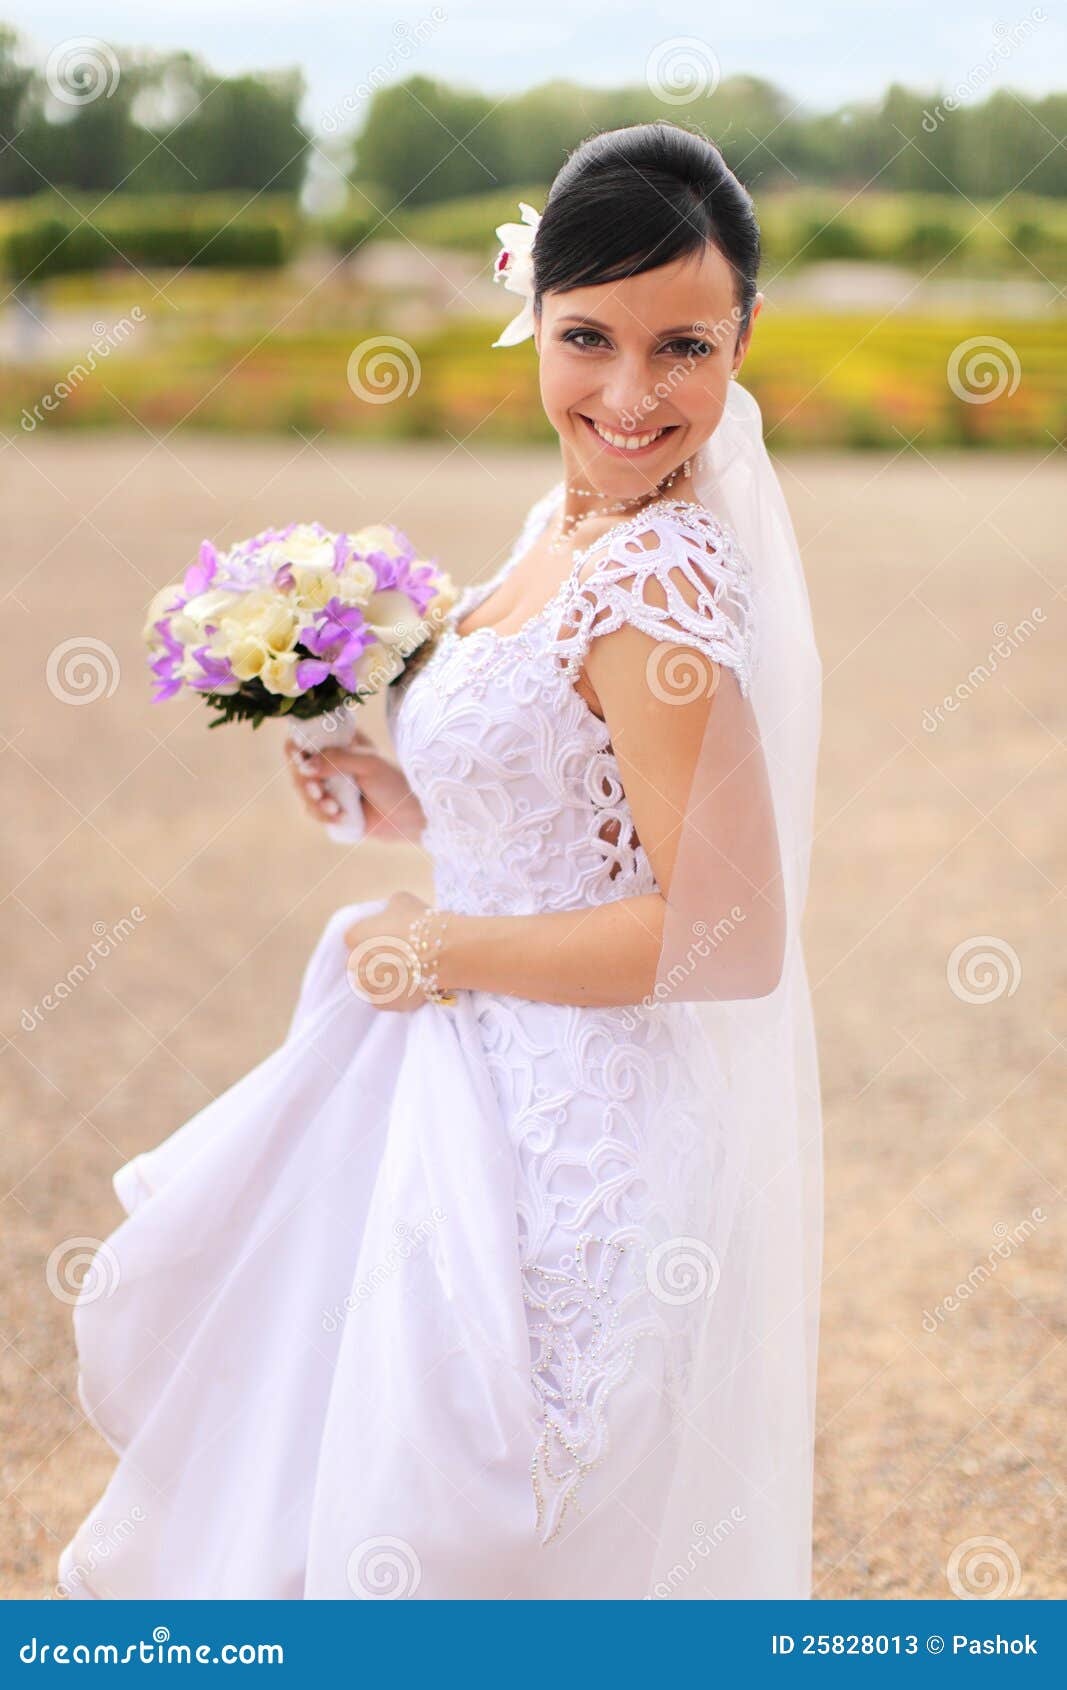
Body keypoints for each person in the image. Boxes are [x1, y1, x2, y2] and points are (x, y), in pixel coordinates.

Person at [60, 120, 823, 1601]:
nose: (630, 395)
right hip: (457, 1085)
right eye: (588, 337)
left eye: (683, 348)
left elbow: (727, 936)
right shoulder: (566, 522)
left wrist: (442, 946)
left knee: (462, 1534)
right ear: (532, 316)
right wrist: (411, 795)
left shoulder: (657, 582)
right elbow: (576, 803)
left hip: (565, 1145)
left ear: (743, 342)